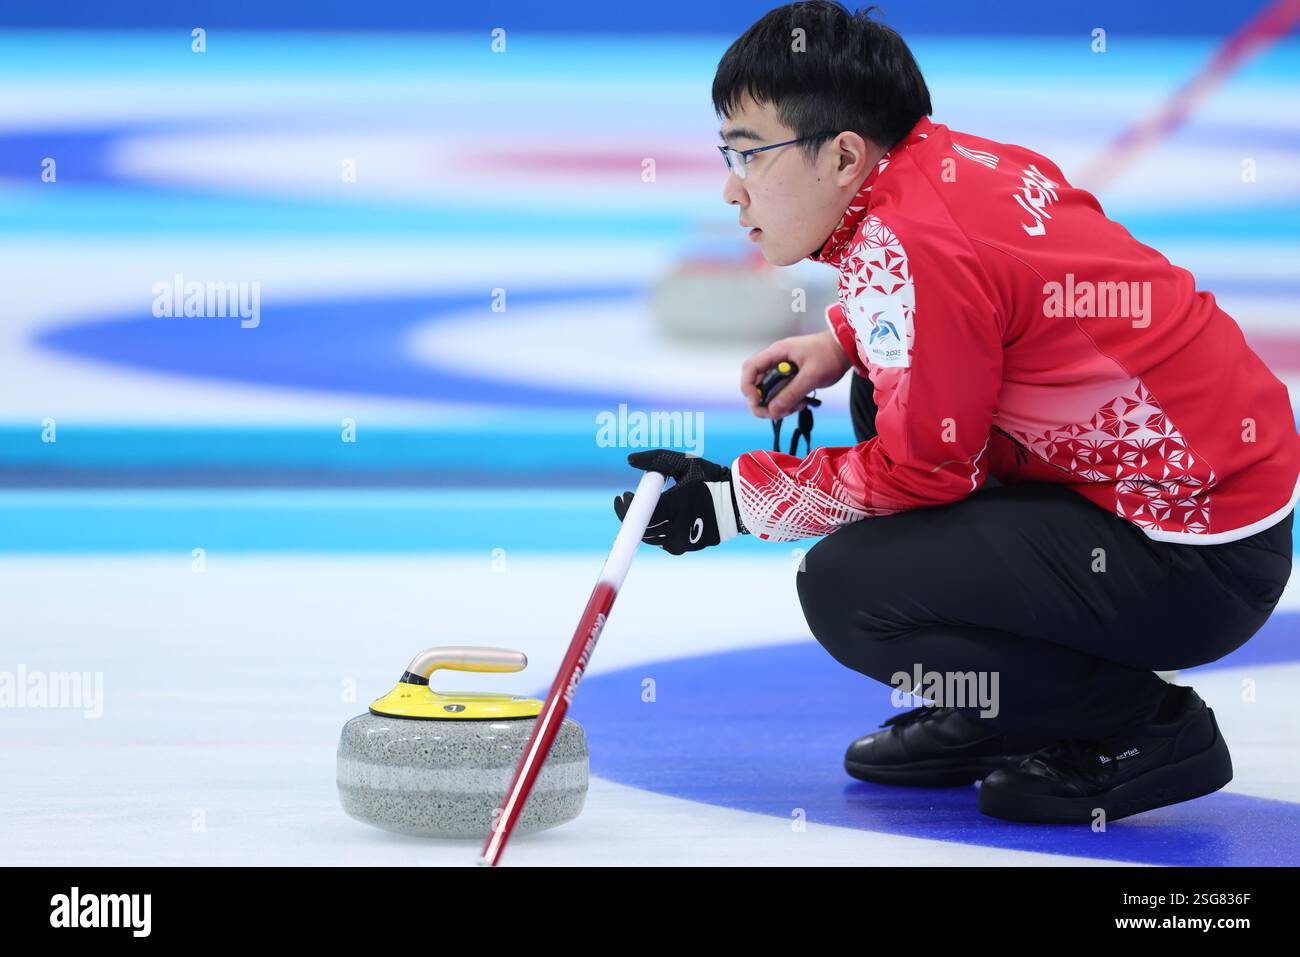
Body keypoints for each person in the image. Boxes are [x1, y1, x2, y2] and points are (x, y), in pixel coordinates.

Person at [612, 1, 1299, 824]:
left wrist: (730, 502)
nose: (730, 187)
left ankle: (1141, 727)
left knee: (848, 589)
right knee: (878, 385)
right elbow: (978, 295)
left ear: (842, 155)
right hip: (1215, 507)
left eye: (747, 153)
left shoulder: (911, 247)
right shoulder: (950, 160)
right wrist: (841, 339)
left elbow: (924, 471)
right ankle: (1000, 709)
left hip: (1193, 556)